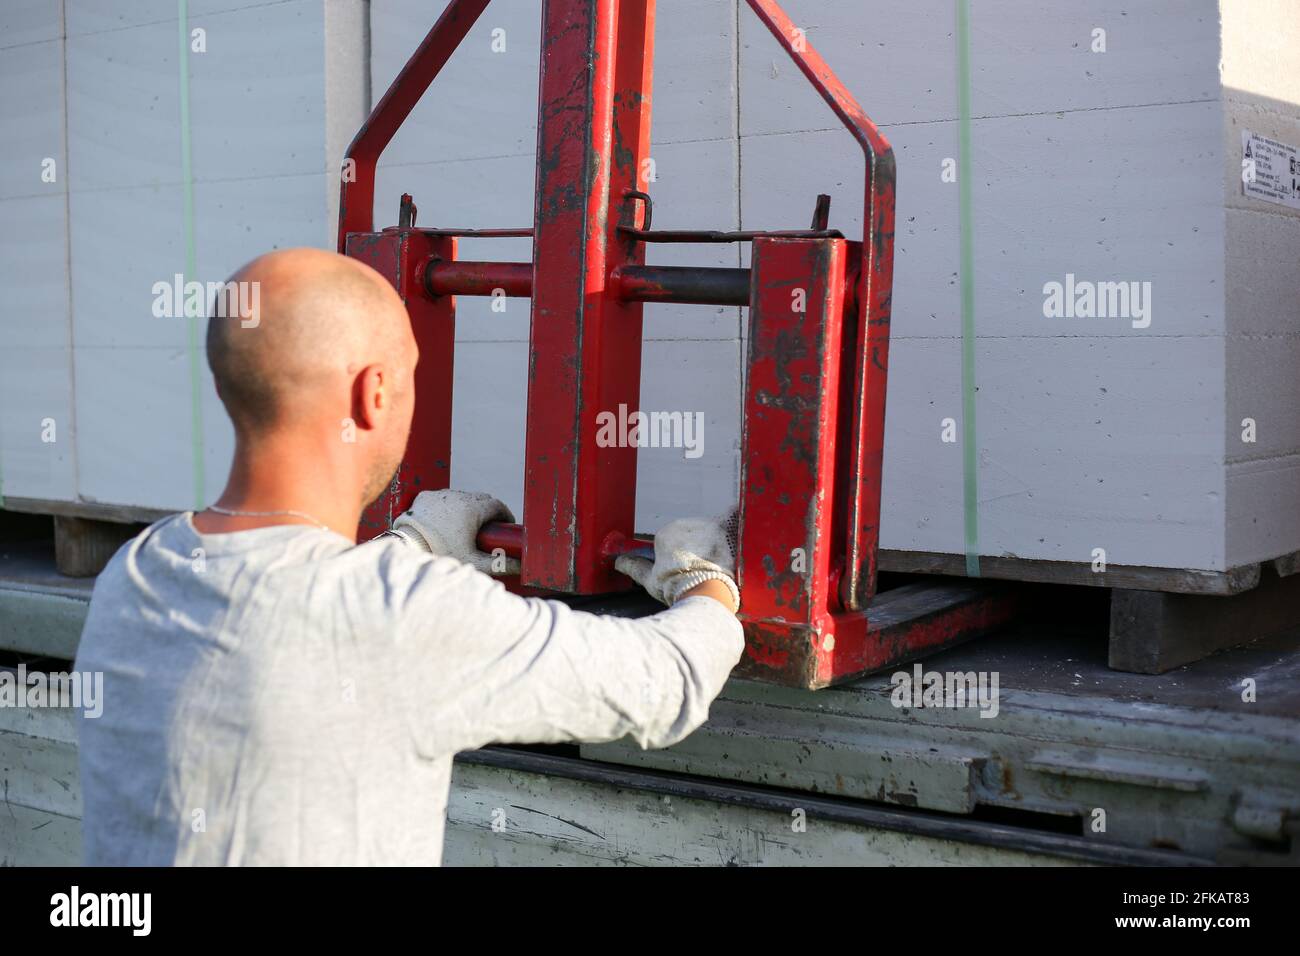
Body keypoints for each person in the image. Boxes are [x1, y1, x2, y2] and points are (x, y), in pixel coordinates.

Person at [73, 248, 743, 865]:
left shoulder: (133, 579)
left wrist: (408, 549)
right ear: (375, 394)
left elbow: (289, 615)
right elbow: (668, 682)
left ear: (227, 388)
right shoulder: (402, 617)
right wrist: (709, 579)